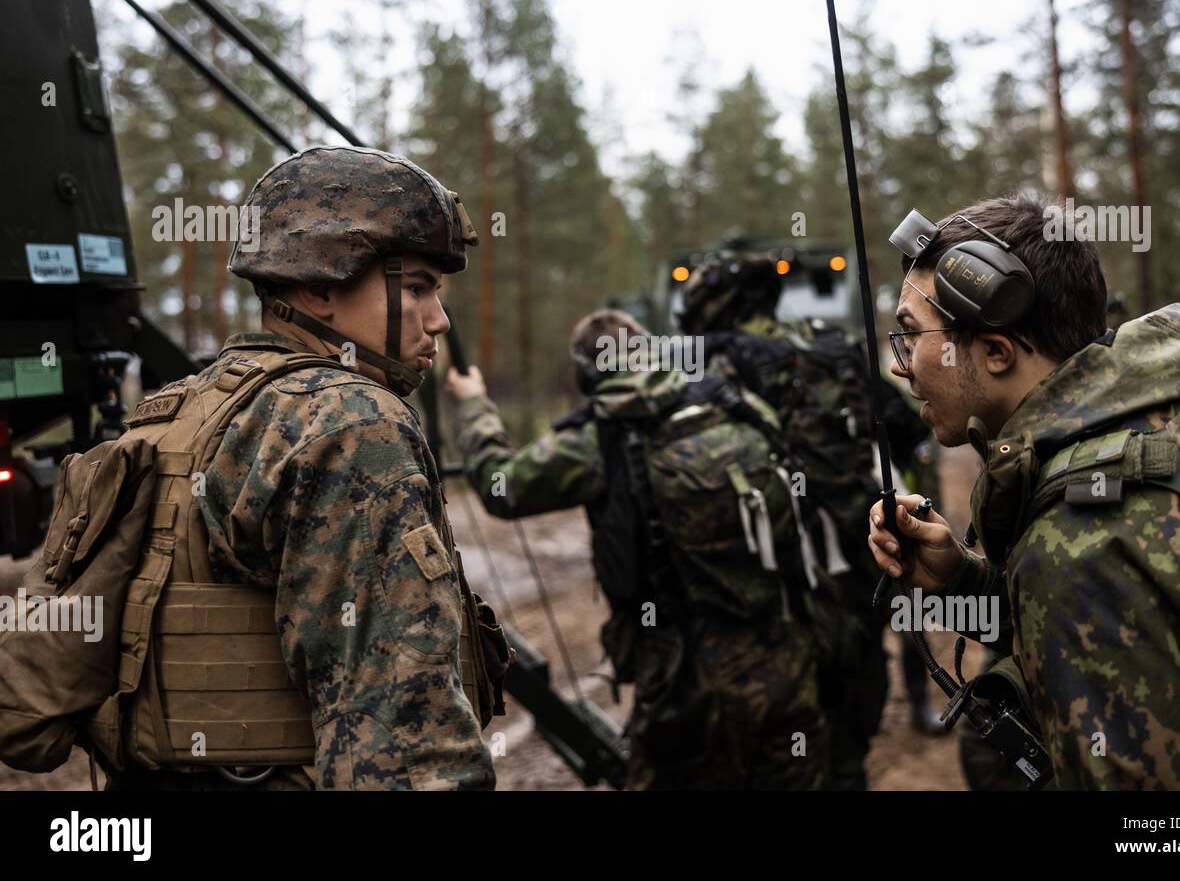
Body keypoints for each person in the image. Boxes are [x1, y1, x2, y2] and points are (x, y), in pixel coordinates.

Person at [868, 193, 1180, 789]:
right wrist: (965, 583)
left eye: (911, 335)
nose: (901, 365)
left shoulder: (1079, 539)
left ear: (995, 353)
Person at [113, 146, 507, 789]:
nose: (439, 320)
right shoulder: (351, 423)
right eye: (416, 289)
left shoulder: (184, 407)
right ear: (320, 288)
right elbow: (402, 741)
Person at [448, 308, 829, 789]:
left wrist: (475, 405)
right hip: (787, 662)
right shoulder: (735, 403)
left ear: (587, 373)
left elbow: (499, 484)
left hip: (685, 693)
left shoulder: (599, 437)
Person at [678, 252, 944, 791]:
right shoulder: (832, 344)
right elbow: (894, 418)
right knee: (861, 672)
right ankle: (859, 758)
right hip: (861, 541)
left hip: (785, 570)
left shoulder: (720, 360)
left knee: (796, 717)